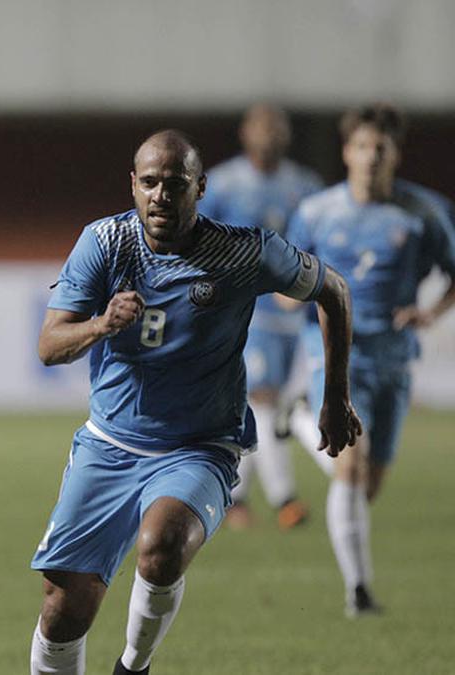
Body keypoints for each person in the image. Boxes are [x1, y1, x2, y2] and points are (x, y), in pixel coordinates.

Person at [28, 130, 360, 675]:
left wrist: (335, 396)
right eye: (149, 183)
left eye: (175, 183)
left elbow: (335, 291)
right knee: (64, 607)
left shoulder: (244, 251)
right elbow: (49, 346)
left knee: (162, 543)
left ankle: (133, 666)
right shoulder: (104, 243)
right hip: (109, 443)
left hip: (200, 446)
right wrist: (102, 324)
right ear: (133, 185)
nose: (161, 195)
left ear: (200, 188)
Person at [287, 103, 455, 617]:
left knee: (368, 484)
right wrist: (290, 296)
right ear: (347, 152)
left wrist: (431, 312)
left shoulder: (424, 213)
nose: (371, 156)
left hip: (394, 357)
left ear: (395, 155)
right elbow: (284, 273)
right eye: (362, 147)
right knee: (351, 468)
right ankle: (358, 592)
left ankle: (300, 420)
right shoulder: (317, 212)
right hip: (335, 355)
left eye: (380, 148)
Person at [197, 103, 324, 530]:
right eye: (262, 127)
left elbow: (317, 243)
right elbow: (199, 240)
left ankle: (235, 498)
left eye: (277, 127)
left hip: (295, 312)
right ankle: (284, 498)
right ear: (245, 132)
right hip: (247, 312)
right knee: (264, 398)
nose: (270, 134)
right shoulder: (223, 182)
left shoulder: (305, 185)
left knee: (265, 404)